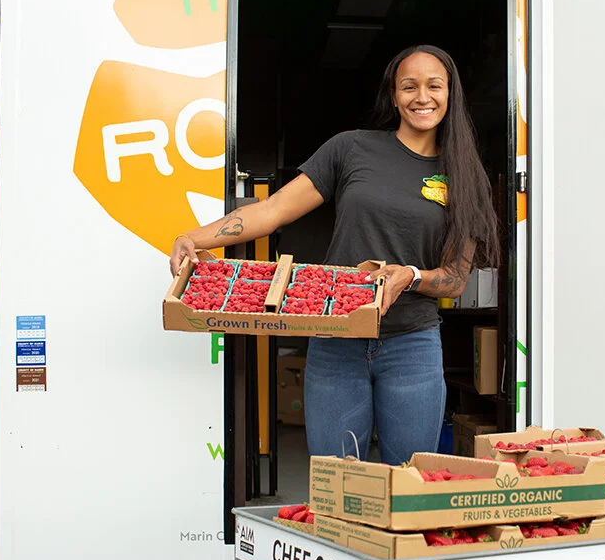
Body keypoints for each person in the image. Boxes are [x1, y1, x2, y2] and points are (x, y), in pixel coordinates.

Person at [169, 45, 499, 465]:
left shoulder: (465, 177)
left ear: (450, 94)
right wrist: (195, 237)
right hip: (335, 339)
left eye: (434, 86)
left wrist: (411, 276)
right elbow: (272, 211)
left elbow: (454, 279)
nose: (422, 97)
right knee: (336, 480)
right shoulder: (352, 149)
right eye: (409, 86)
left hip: (412, 347)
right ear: (394, 94)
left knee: (409, 477)